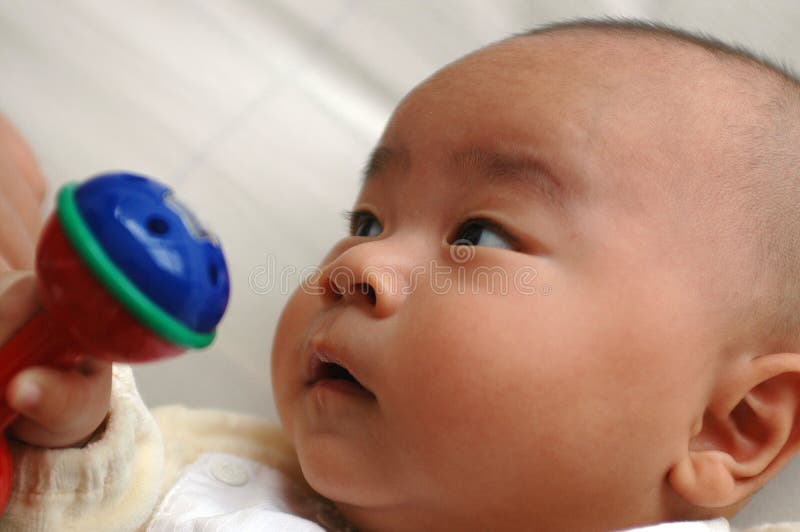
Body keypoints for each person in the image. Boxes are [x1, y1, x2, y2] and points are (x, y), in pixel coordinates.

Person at [1, 17, 799, 532]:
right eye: (366, 222)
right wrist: (71, 437)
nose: (357, 266)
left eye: (481, 232)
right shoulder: (204, 478)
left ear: (730, 426)